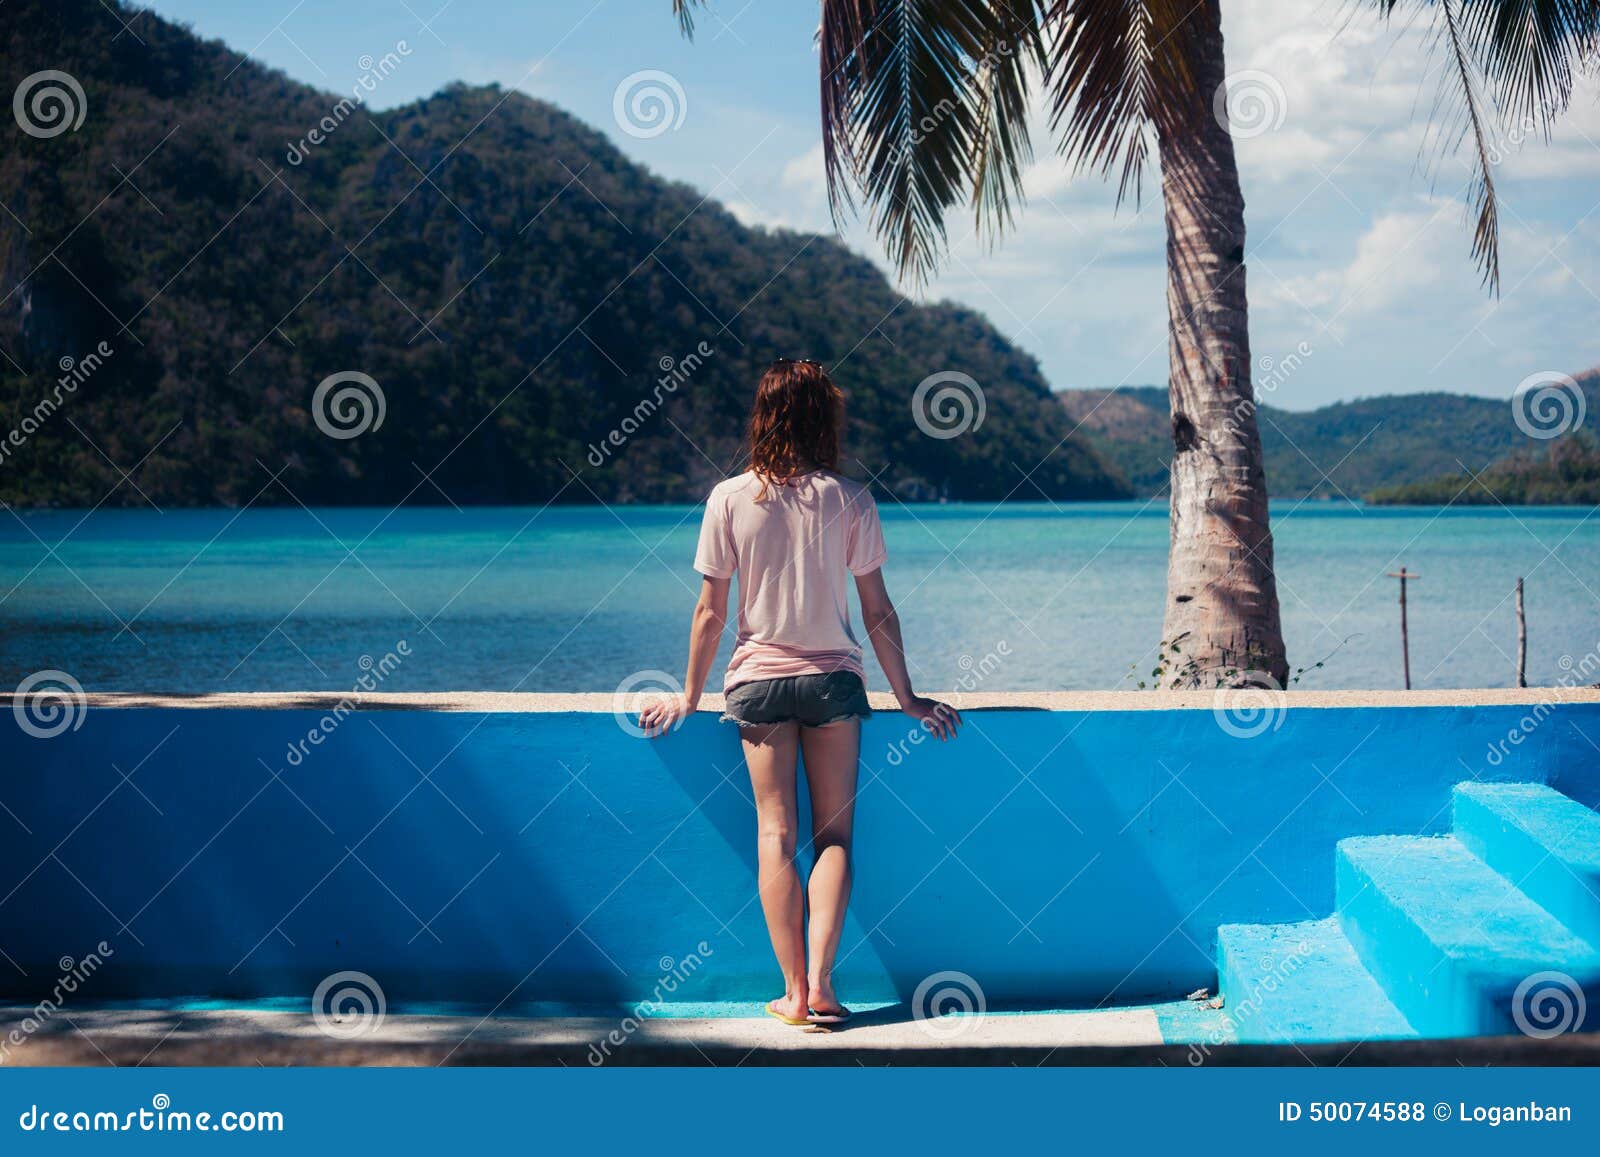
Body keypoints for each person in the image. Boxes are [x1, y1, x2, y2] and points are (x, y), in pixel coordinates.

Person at [640, 357, 961, 1026]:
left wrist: (689, 696)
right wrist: (908, 697)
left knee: (775, 831)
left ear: (762, 418)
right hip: (833, 683)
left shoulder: (729, 497)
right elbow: (878, 610)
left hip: (755, 683)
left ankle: (789, 991)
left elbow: (710, 612)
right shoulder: (850, 499)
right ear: (825, 419)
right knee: (834, 836)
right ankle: (822, 985)